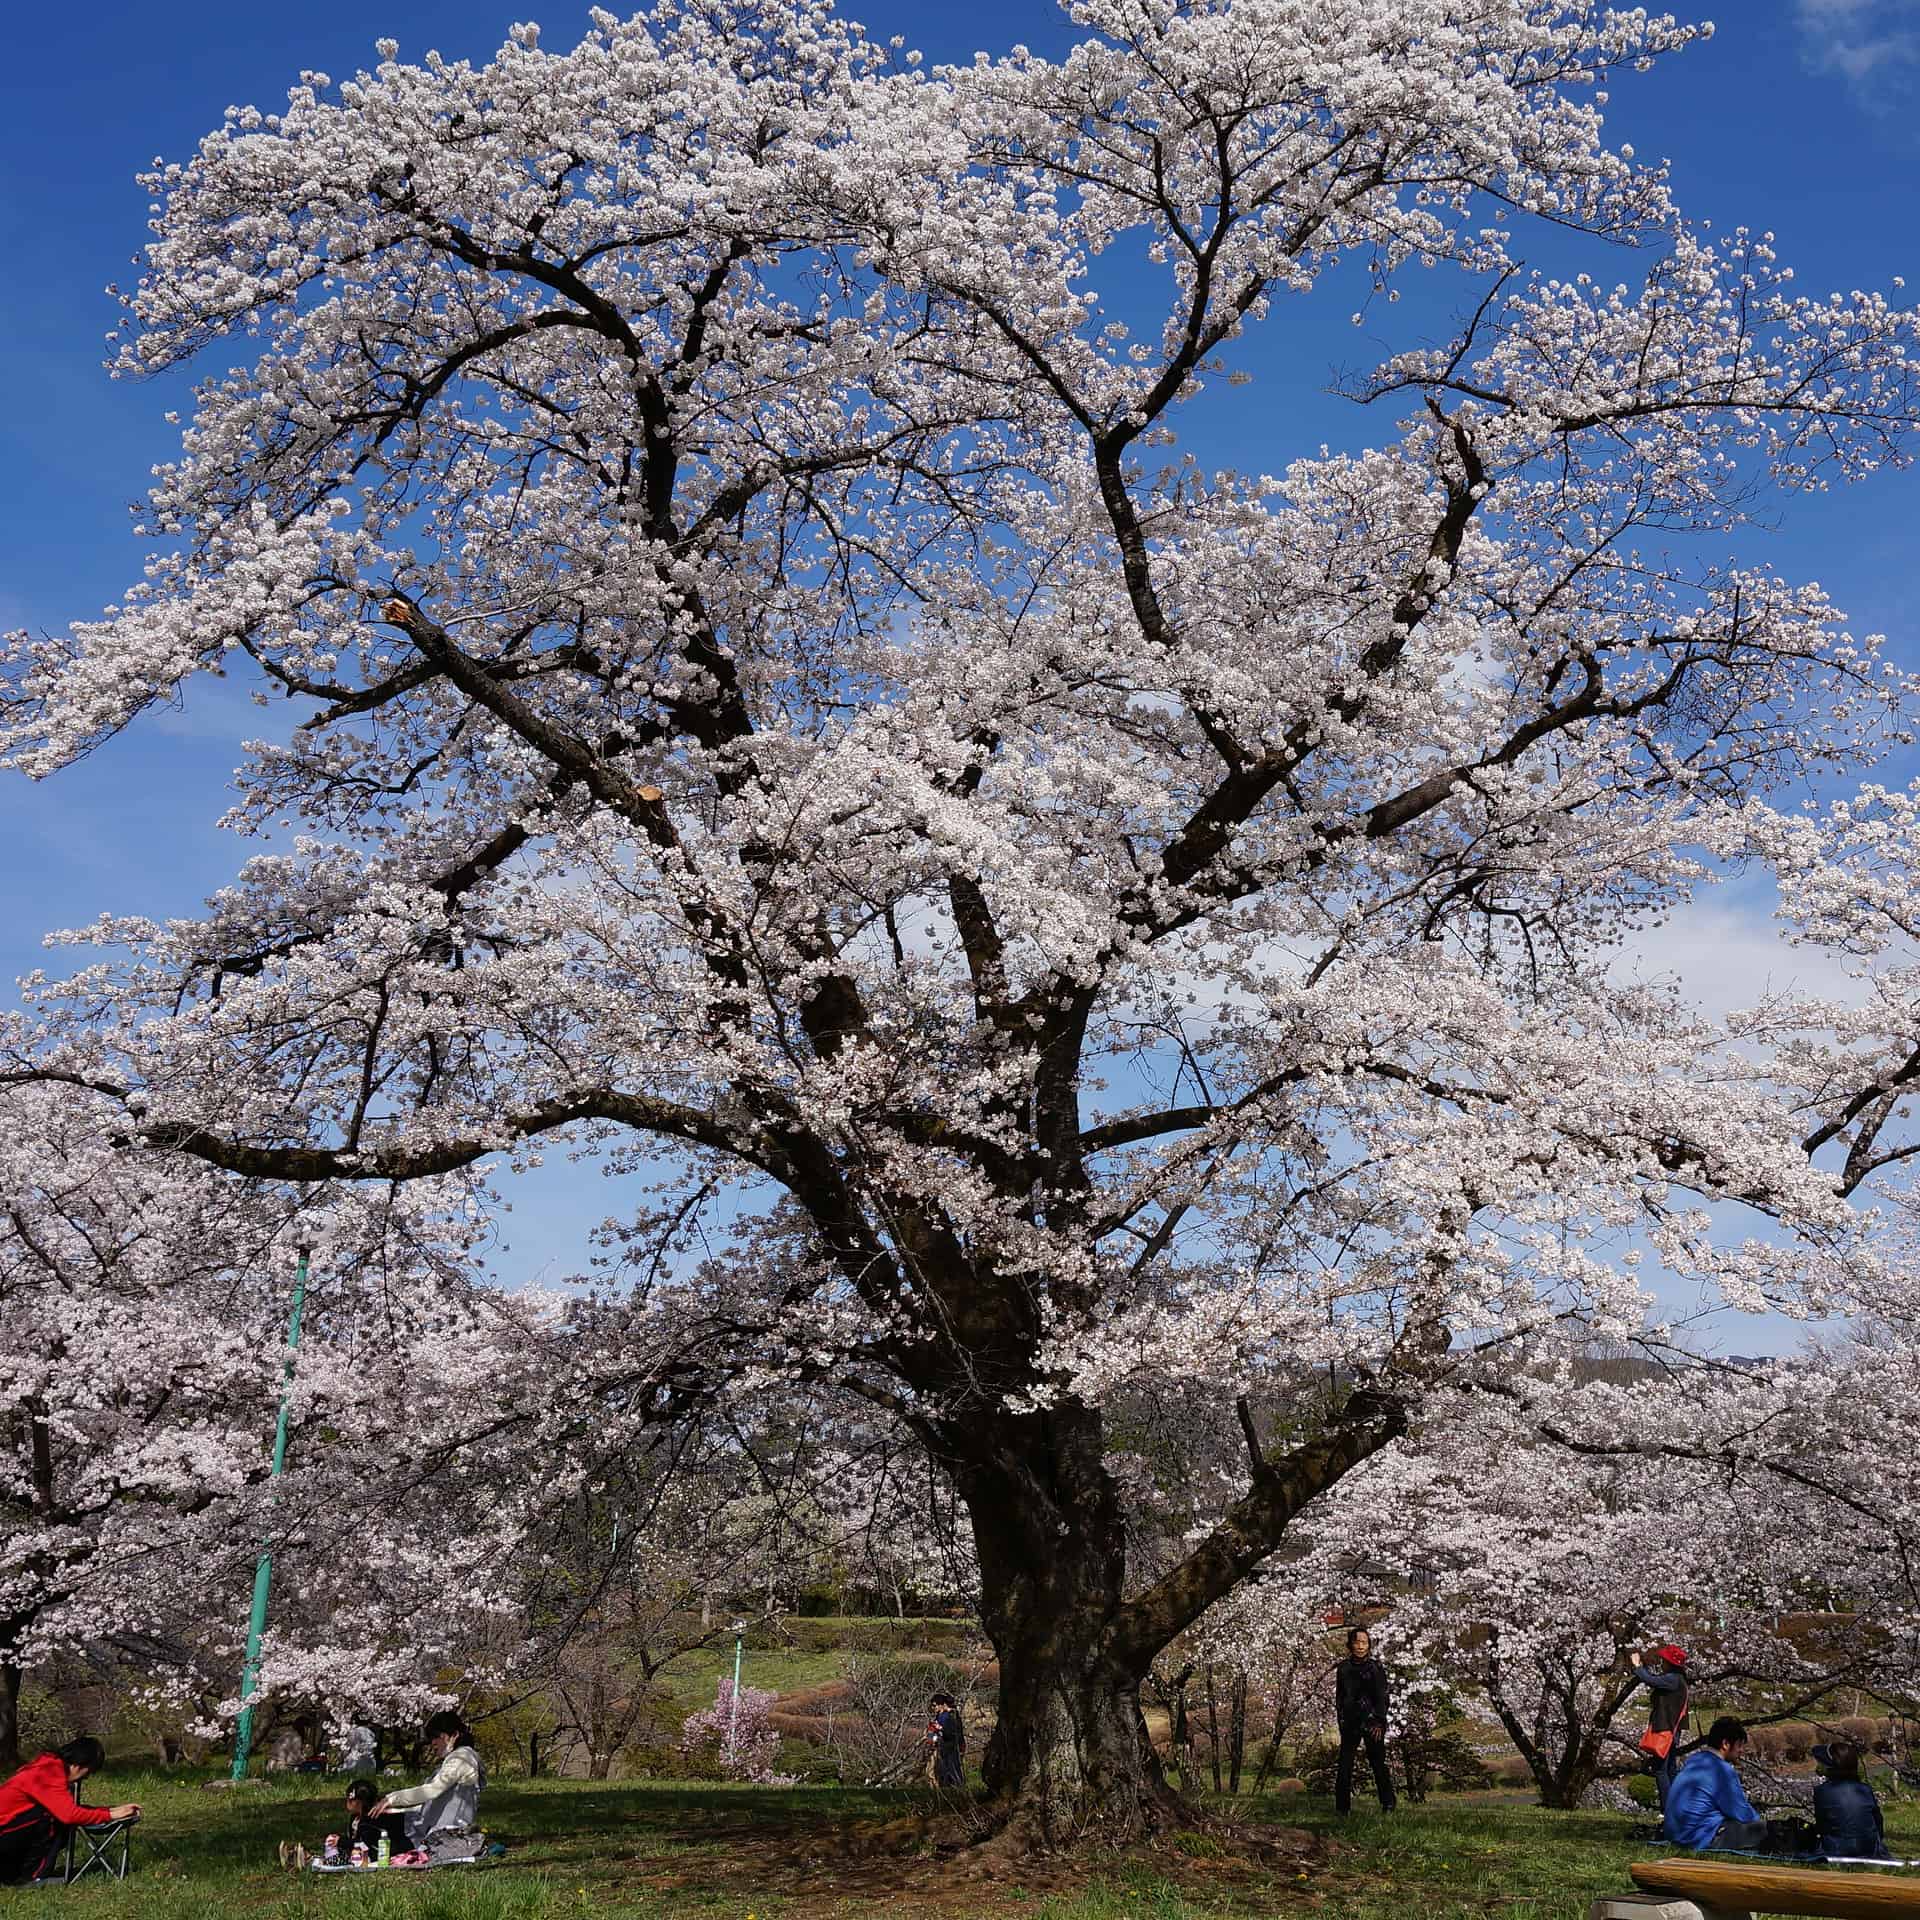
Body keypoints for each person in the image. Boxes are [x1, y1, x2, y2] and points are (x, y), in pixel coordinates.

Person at [0, 1736, 140, 1885]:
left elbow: (68, 1809)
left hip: (8, 1833)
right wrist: (110, 1814)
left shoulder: (48, 1766)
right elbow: (68, 1815)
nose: (85, 1778)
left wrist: (111, 1810)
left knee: (54, 1815)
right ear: (79, 1766)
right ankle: (33, 1877)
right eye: (88, 1773)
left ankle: (16, 1873)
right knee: (53, 1818)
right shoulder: (47, 1773)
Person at [369, 1711, 487, 1866]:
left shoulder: (463, 1758)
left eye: (437, 1736)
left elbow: (433, 1790)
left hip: (445, 1836)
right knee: (374, 1822)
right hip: (428, 1830)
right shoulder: (454, 1759)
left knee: (373, 1833)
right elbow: (433, 1805)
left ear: (454, 1735)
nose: (433, 1742)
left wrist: (392, 1798)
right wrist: (395, 1810)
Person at [1665, 1717, 1766, 1852]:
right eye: (1739, 1745)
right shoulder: (1721, 1770)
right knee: (1762, 1830)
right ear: (1725, 1744)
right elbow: (1742, 1813)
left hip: (1675, 1835)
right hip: (1699, 1839)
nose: (1741, 1750)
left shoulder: (1694, 1760)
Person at [278, 1777, 410, 1871]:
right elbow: (355, 1841)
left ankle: (310, 1860)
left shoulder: (372, 1819)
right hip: (360, 1851)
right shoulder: (356, 1818)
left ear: (359, 1802)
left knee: (344, 1857)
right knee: (332, 1840)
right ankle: (299, 1857)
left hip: (375, 1855)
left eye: (350, 1799)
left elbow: (365, 1845)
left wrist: (342, 1842)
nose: (347, 1801)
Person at [1333, 1626, 1396, 1815]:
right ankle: (1342, 1809)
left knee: (1378, 1763)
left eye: (1364, 1642)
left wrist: (1380, 1722)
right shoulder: (1343, 1668)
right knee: (1344, 1766)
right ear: (1350, 1644)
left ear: (1369, 1645)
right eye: (1357, 1642)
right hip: (1350, 1722)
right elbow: (1340, 1697)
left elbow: (1382, 1697)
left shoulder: (1376, 1668)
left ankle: (1388, 1803)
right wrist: (1342, 1720)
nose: (1361, 1646)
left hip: (1372, 1723)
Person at [1630, 1644, 1691, 1827]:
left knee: (1660, 1769)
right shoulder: (1678, 1679)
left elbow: (1651, 1681)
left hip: (1666, 1729)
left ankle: (1668, 1810)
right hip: (1672, 1730)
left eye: (1664, 1660)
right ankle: (1676, 1807)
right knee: (1670, 1769)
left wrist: (1637, 1667)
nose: (1661, 1662)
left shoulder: (1673, 1679)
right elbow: (1655, 1679)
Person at [1813, 1740, 1891, 1860]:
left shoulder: (1822, 1791)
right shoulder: (1865, 1789)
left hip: (1836, 1849)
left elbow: (1822, 1825)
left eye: (1820, 1762)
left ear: (1829, 1767)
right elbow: (1878, 1820)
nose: (1817, 1766)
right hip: (1870, 1848)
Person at [925, 1691, 966, 1788]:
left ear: (942, 1705)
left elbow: (953, 1734)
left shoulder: (950, 1716)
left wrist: (940, 1728)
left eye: (935, 1705)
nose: (933, 1708)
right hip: (941, 1746)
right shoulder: (939, 1716)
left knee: (952, 1769)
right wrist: (931, 1737)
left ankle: (958, 1788)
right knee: (941, 1770)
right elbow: (934, 1731)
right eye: (932, 1706)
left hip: (951, 1747)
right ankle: (944, 1788)